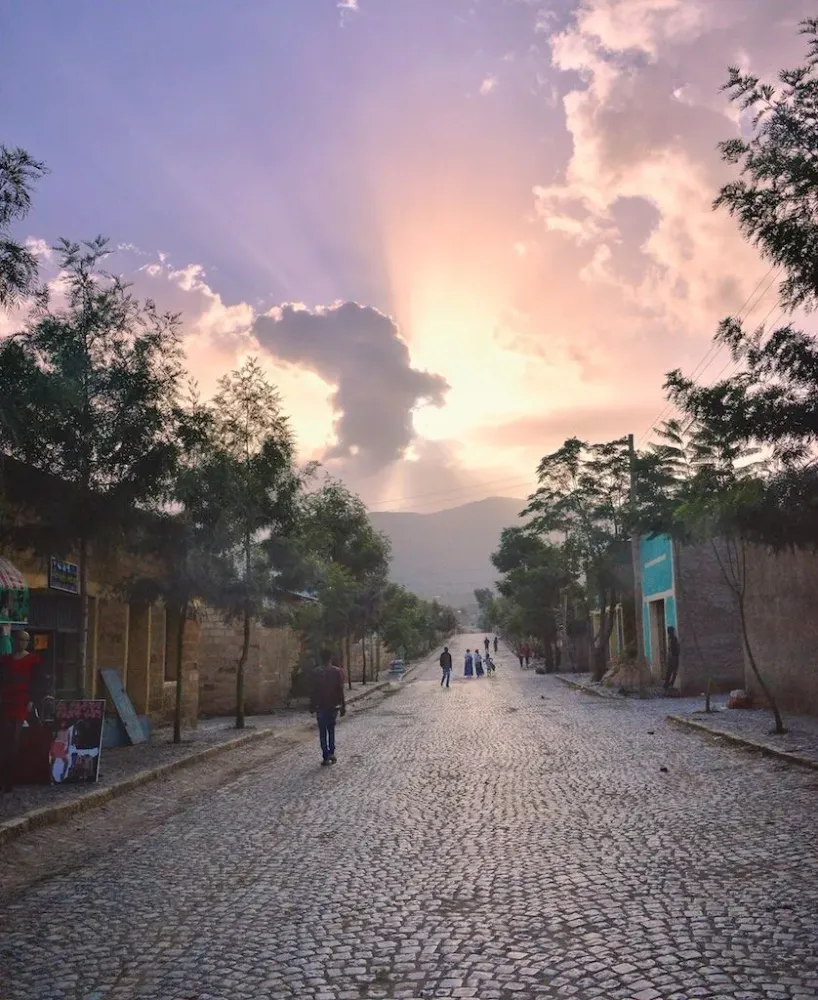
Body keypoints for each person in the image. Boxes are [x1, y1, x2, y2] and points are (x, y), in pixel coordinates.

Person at [0, 630, 42, 794]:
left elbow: (36, 682)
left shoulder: (33, 660)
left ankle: (10, 780)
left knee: (13, 741)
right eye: (19, 639)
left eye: (25, 640)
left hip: (21, 704)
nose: (22, 643)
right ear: (14, 640)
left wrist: (31, 700)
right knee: (3, 741)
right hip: (5, 702)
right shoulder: (6, 660)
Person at [309, 649, 346, 766]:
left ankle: (325, 756)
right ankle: (332, 752)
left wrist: (312, 705)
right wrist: (343, 706)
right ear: (331, 658)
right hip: (333, 706)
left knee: (322, 732)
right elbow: (340, 690)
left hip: (321, 706)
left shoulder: (316, 672)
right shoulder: (337, 672)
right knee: (331, 730)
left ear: (321, 658)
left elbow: (313, 691)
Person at [664, 626, 680, 691]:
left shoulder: (669, 638)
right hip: (674, 656)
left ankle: (667, 684)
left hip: (670, 656)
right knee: (674, 671)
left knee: (669, 671)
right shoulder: (674, 638)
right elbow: (674, 648)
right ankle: (670, 684)